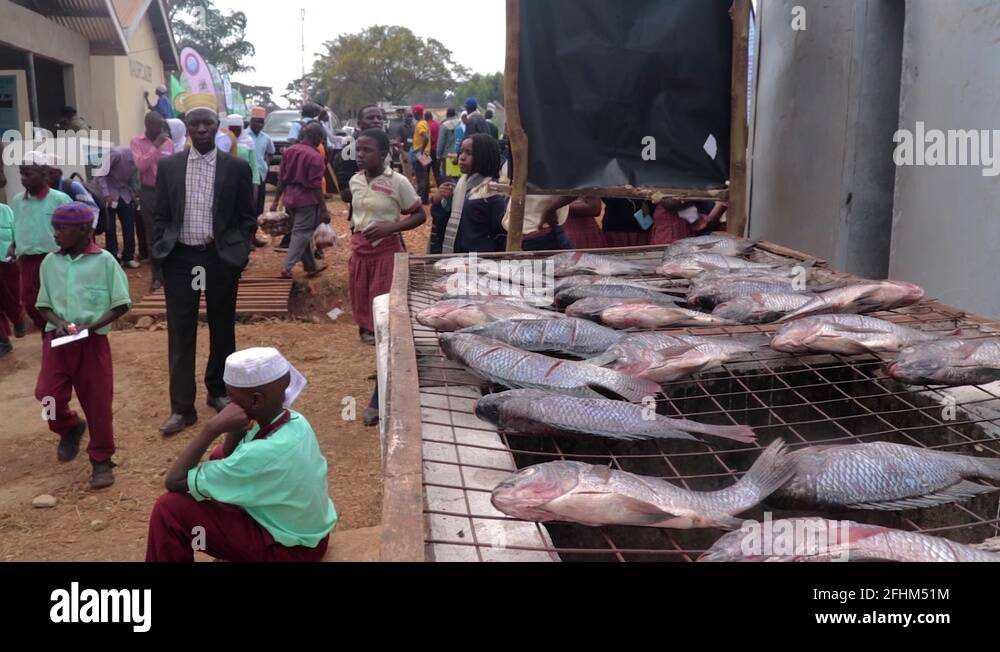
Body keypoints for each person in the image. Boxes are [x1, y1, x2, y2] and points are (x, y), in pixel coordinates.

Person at [146, 347, 337, 562]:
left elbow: (174, 481)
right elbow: (229, 457)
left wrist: (211, 429)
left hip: (288, 552)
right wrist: (237, 428)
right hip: (312, 539)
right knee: (219, 457)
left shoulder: (261, 454)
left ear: (256, 401)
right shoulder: (296, 421)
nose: (228, 403)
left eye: (231, 396)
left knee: (169, 509)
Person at [152, 103, 256, 436]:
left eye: (207, 124)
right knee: (181, 333)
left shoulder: (236, 168)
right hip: (181, 260)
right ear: (186, 127)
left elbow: (247, 217)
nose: (200, 129)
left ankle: (219, 391)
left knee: (222, 327)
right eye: (194, 123)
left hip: (218, 259)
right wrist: (160, 251)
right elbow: (159, 214)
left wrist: (238, 252)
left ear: (217, 127)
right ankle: (182, 408)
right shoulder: (169, 166)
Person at [34, 202, 132, 489]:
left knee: (98, 402)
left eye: (61, 229)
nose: (55, 235)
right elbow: (43, 305)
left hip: (92, 343)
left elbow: (121, 303)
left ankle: (101, 459)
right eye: (54, 228)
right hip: (58, 342)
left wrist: (93, 325)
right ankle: (70, 426)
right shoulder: (50, 263)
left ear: (84, 230)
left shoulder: (105, 261)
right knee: (47, 395)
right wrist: (58, 321)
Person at [349, 128, 424, 344]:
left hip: (385, 251)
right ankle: (366, 328)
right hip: (360, 250)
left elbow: (420, 215)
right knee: (361, 293)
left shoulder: (397, 181)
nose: (360, 154)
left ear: (383, 154)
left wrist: (390, 228)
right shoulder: (356, 181)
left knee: (383, 298)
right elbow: (358, 212)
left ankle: (384, 336)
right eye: (358, 150)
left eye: (367, 150)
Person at [8, 154, 73, 331]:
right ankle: (48, 332)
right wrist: (13, 245)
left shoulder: (60, 200)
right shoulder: (17, 201)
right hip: (28, 261)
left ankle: (62, 334)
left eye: (28, 174)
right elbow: (17, 227)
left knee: (58, 300)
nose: (23, 179)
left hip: (55, 258)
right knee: (30, 302)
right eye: (21, 174)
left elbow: (74, 229)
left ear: (44, 174)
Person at [270, 122, 328, 279]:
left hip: (289, 198)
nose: (321, 141)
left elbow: (281, 178)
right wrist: (324, 209)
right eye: (321, 138)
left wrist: (276, 201)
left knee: (301, 234)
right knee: (301, 234)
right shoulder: (315, 156)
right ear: (317, 137)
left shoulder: (289, 151)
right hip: (307, 200)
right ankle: (287, 267)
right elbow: (316, 186)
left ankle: (311, 267)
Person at [439, 134, 507, 254]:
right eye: (461, 152)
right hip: (460, 253)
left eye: (469, 153)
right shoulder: (462, 184)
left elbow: (499, 230)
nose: (462, 157)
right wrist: (444, 199)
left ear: (483, 157)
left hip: (481, 259)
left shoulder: (491, 192)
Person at [131, 111, 175, 291]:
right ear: (148, 126)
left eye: (163, 127)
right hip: (148, 192)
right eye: (158, 127)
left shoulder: (169, 143)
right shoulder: (137, 142)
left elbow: (173, 166)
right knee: (153, 233)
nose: (161, 131)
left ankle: (171, 273)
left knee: (170, 231)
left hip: (168, 192)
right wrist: (155, 146)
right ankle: (157, 277)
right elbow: (140, 165)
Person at [333, 104, 386, 226]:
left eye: (379, 117)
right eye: (371, 118)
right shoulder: (350, 152)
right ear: (359, 123)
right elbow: (345, 194)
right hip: (363, 221)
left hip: (388, 218)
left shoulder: (384, 148)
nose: (376, 121)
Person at [94, 145, 140, 268]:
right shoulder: (117, 154)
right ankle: (112, 257)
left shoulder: (139, 160)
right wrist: (106, 193)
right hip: (109, 191)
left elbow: (132, 178)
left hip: (124, 193)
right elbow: (100, 174)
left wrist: (136, 192)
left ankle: (128, 257)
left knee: (129, 224)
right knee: (110, 227)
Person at [0, 201, 27, 356]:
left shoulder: (6, 211)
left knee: (11, 297)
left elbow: (18, 234)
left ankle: (17, 319)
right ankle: (2, 339)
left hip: (6, 262)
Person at [247, 106, 275, 222]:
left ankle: (254, 234)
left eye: (261, 122)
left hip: (261, 175)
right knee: (248, 205)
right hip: (247, 175)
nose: (259, 125)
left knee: (259, 205)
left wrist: (266, 164)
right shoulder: (244, 136)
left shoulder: (266, 138)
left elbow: (271, 153)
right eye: (257, 122)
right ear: (251, 121)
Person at [410, 105, 432, 205]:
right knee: (425, 175)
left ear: (416, 113)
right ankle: (425, 199)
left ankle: (419, 199)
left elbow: (426, 138)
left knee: (421, 176)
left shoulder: (420, 125)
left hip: (420, 153)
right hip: (426, 153)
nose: (413, 115)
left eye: (413, 113)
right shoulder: (425, 123)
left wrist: (420, 151)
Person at [437, 108, 460, 182]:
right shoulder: (461, 124)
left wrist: (438, 155)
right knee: (456, 176)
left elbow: (441, 142)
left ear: (447, 114)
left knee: (448, 178)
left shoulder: (444, 125)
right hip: (458, 155)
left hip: (447, 155)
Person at [425, 110, 440, 188]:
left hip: (427, 152)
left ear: (425, 117)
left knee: (425, 172)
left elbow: (429, 138)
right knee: (436, 172)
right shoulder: (437, 124)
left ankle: (426, 191)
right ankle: (440, 188)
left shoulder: (427, 125)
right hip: (436, 150)